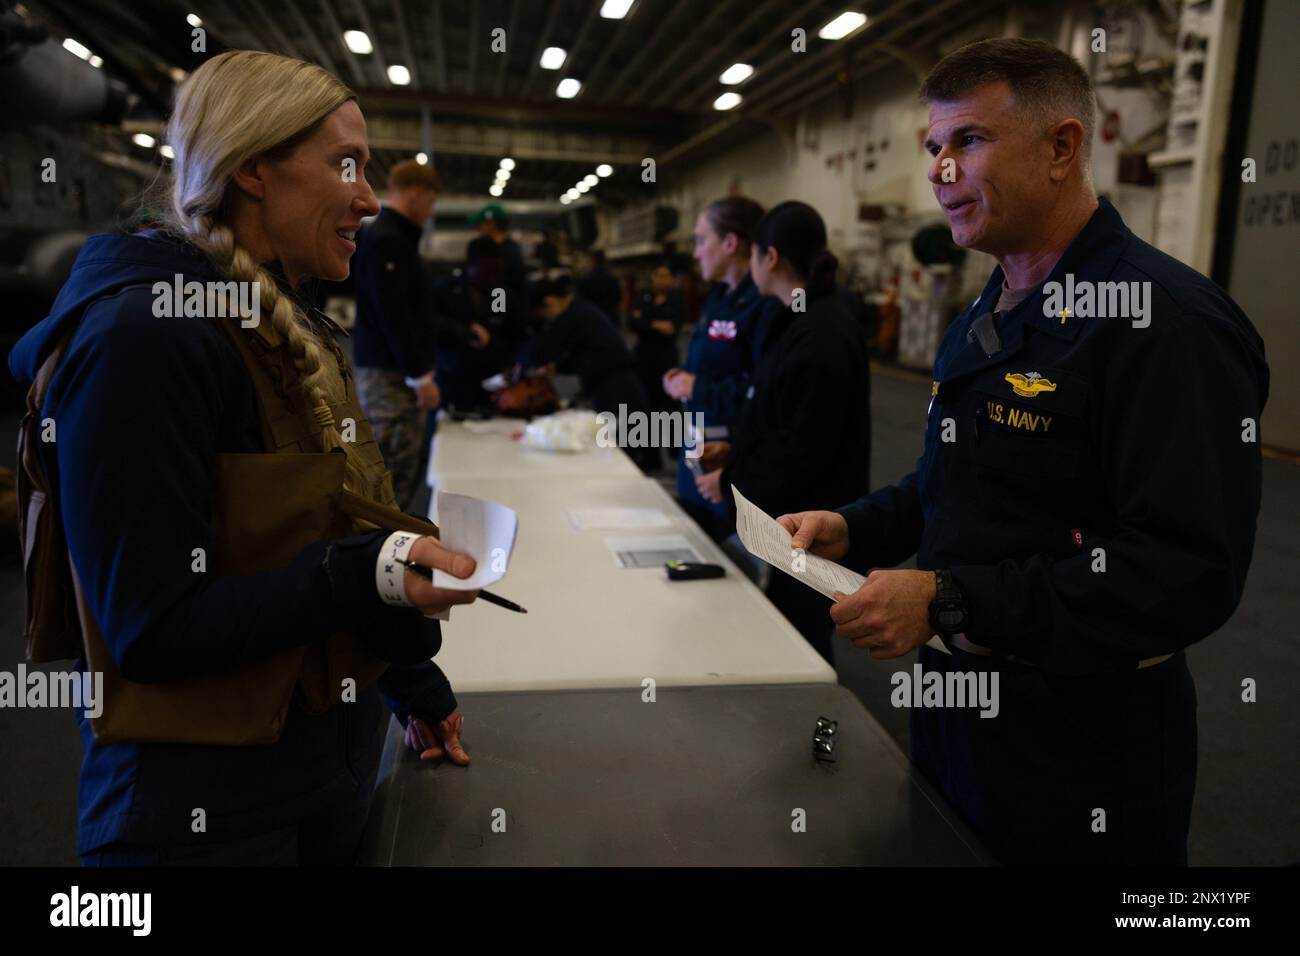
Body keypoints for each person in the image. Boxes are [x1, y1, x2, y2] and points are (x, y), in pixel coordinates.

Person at [778, 37, 1269, 865]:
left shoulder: (1165, 326)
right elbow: (955, 482)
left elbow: (1185, 570)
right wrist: (853, 527)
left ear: (1062, 147)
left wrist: (950, 600)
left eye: (967, 140)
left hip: (1079, 747)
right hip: (955, 711)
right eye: (934, 148)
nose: (941, 171)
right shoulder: (992, 308)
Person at [9, 50, 483, 866]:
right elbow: (151, 628)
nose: (369, 198)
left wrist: (410, 681)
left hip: (318, 778)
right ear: (255, 168)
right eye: (347, 166)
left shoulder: (276, 321)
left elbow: (307, 528)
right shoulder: (143, 340)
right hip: (204, 819)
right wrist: (370, 573)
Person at [694, 202, 871, 663]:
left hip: (807, 529)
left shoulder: (821, 333)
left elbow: (804, 450)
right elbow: (781, 416)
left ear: (768, 258)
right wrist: (736, 449)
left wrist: (733, 478)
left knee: (800, 642)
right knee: (777, 633)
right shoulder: (797, 318)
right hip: (786, 518)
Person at [666, 196, 782, 537]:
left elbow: (765, 394)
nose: (696, 251)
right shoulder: (717, 298)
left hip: (733, 464)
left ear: (730, 243)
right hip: (697, 454)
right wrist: (682, 378)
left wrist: (697, 387)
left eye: (702, 240)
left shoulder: (764, 305)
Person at [351, 159, 441, 510]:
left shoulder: (394, 238)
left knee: (399, 473)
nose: (430, 211)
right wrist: (419, 376)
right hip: (390, 379)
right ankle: (385, 555)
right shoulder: (389, 241)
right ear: (416, 194)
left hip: (393, 372)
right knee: (391, 475)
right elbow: (395, 316)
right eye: (431, 202)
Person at [517, 273, 657, 470]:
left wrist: (518, 357)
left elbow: (539, 353)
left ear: (549, 302)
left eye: (542, 315)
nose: (546, 321)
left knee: (621, 461)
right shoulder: (582, 310)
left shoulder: (574, 316)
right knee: (617, 457)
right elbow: (579, 353)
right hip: (619, 389)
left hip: (618, 394)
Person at [628, 260, 685, 417]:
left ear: (672, 279)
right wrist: (656, 324)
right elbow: (632, 322)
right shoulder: (643, 296)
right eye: (658, 275)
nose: (661, 279)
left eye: (665, 276)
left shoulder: (677, 299)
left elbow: (671, 329)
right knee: (643, 401)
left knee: (669, 403)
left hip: (665, 358)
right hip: (643, 358)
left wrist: (645, 321)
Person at [469, 202, 526, 292]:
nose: (478, 228)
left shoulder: (510, 251)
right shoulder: (481, 246)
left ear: (492, 224)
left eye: (481, 224)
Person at [576, 249, 622, 323]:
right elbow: (617, 300)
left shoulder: (586, 279)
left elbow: (581, 301)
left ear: (593, 260)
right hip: (609, 318)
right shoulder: (611, 279)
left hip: (591, 319)